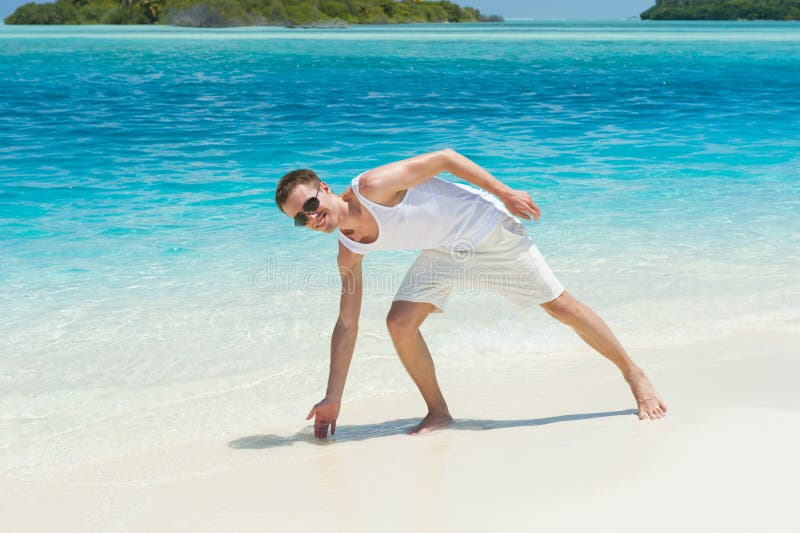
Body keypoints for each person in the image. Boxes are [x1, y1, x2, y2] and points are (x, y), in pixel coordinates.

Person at [275, 149, 667, 439]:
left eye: (311, 204)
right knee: (400, 322)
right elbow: (347, 324)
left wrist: (507, 192)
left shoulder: (374, 186)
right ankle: (439, 413)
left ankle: (635, 375)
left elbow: (445, 158)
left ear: (324, 190)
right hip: (446, 249)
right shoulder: (348, 249)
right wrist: (333, 396)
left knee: (559, 306)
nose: (311, 217)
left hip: (486, 228)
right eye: (300, 218)